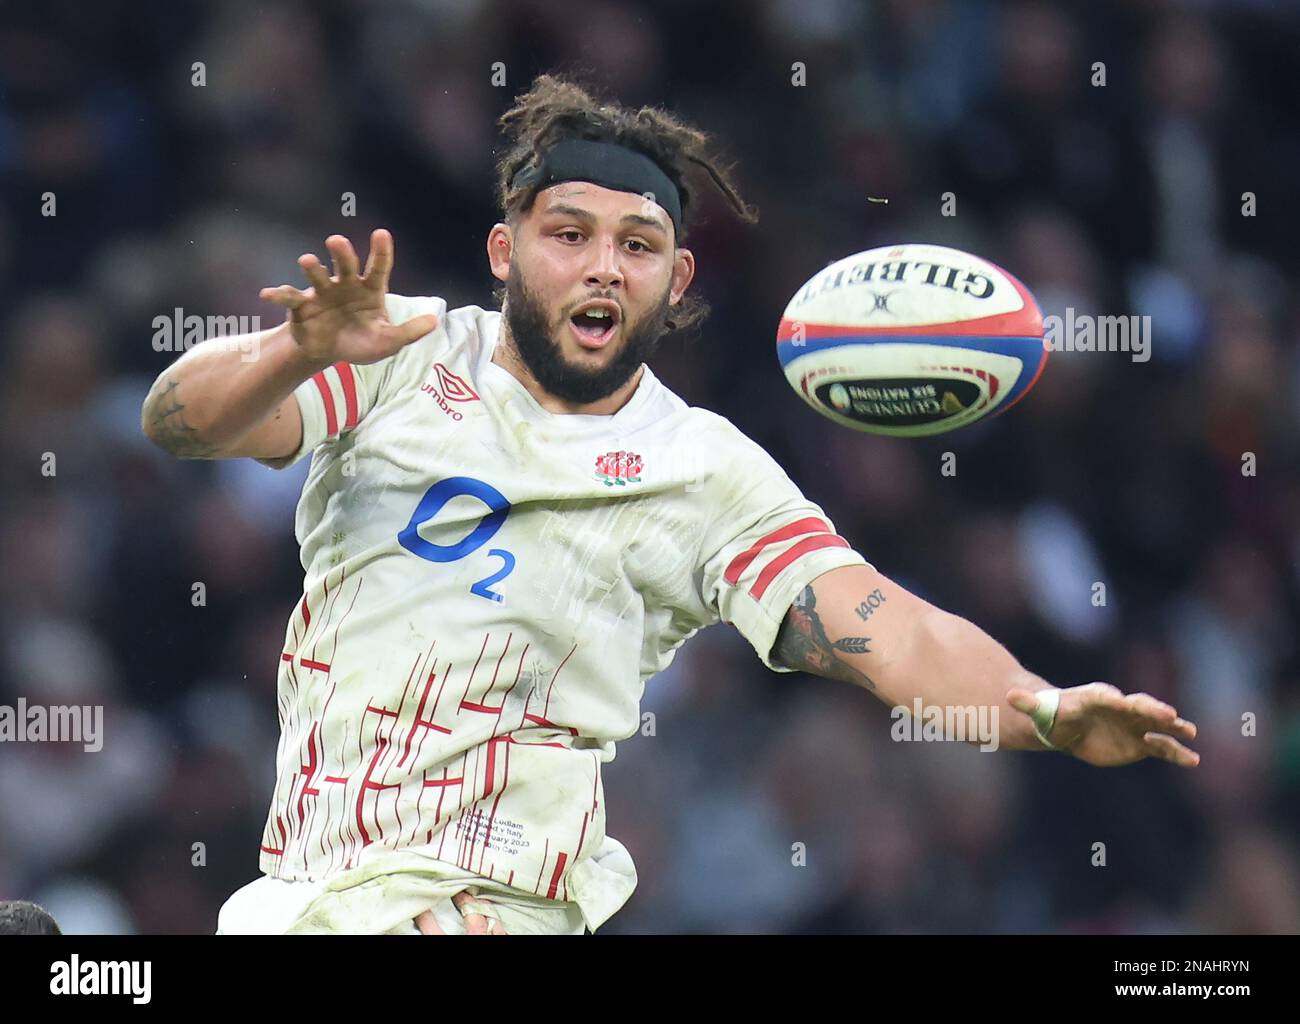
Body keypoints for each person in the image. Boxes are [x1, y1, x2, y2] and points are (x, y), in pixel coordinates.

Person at [141, 74, 1199, 935]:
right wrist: (294, 348)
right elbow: (178, 420)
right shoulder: (398, 353)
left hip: (496, 909)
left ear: (676, 279)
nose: (602, 265)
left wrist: (1042, 708)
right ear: (506, 251)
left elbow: (890, 629)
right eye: (569, 233)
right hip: (301, 898)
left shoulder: (702, 469)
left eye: (636, 245)